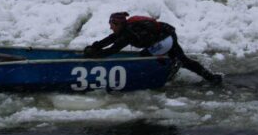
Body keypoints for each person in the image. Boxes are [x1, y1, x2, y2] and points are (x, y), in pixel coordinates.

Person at [83, 12, 222, 84]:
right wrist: (96, 46)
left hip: (166, 38)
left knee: (145, 57)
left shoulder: (129, 33)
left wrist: (94, 57)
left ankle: (209, 77)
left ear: (118, 24)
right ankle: (208, 77)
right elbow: (111, 39)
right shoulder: (125, 29)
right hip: (164, 35)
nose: (110, 27)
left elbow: (113, 50)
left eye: (111, 24)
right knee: (180, 59)